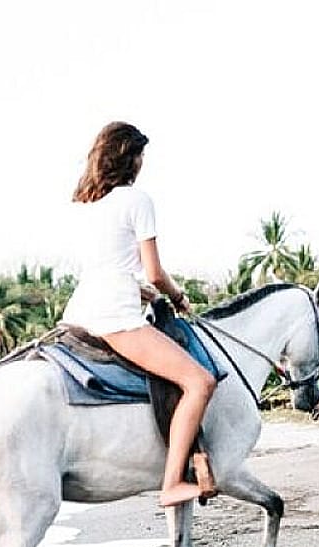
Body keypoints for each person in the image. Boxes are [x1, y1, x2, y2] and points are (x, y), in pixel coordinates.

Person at [62, 122, 216, 506]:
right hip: (115, 315)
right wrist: (177, 296)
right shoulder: (137, 200)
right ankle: (172, 483)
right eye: (140, 154)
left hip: (78, 313)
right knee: (199, 382)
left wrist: (143, 290)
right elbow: (155, 271)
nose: (142, 162)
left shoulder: (83, 205)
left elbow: (107, 267)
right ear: (128, 157)